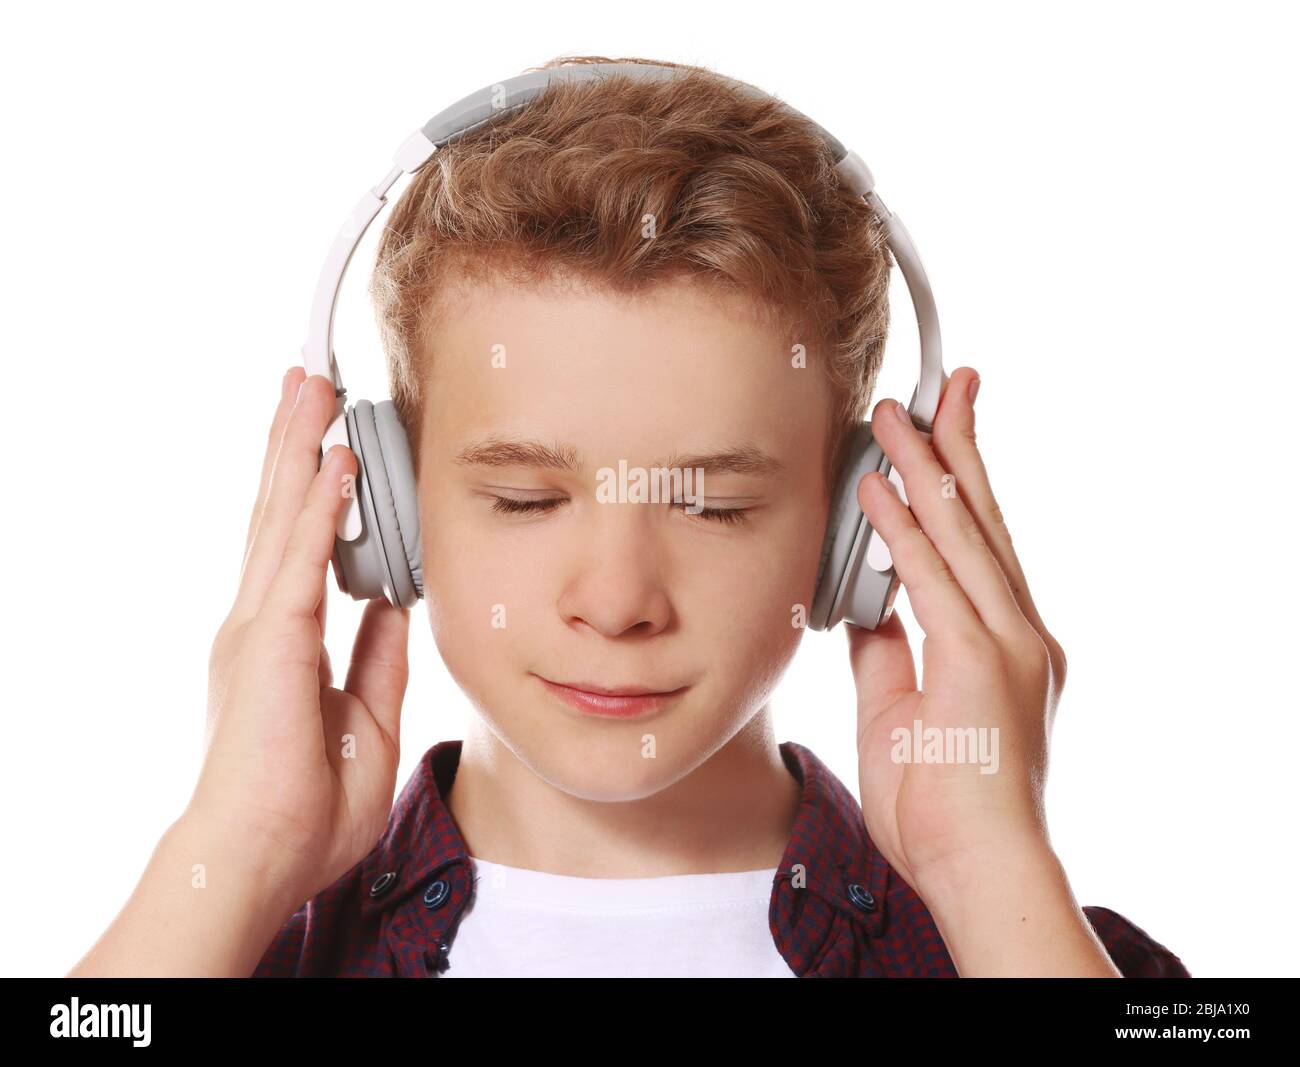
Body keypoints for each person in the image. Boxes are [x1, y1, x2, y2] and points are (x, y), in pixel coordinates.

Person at [67, 55, 1189, 978]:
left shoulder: (1049, 950)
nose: (614, 600)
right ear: (385, 508)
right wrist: (232, 846)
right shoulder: (230, 951)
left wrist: (991, 870)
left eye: (713, 504)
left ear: (861, 532)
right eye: (523, 498)